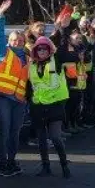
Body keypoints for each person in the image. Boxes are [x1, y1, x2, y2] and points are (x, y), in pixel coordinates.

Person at [0, 0, 29, 177]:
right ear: (9, 41)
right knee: (4, 131)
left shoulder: (28, 57)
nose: (16, 42)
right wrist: (0, 15)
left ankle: (12, 161)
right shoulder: (3, 53)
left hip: (19, 100)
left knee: (15, 132)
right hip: (4, 98)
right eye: (13, 39)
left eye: (19, 40)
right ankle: (2, 163)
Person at [27, 36, 76, 179]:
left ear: (49, 50)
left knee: (55, 137)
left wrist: (61, 30)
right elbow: (30, 87)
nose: (42, 51)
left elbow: (62, 46)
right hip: (38, 106)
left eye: (45, 48)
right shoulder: (32, 65)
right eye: (39, 48)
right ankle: (45, 166)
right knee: (41, 138)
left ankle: (64, 165)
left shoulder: (57, 61)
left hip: (55, 105)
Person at [63, 32, 87, 133]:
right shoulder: (70, 49)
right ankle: (68, 126)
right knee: (70, 106)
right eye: (76, 38)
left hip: (79, 82)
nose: (79, 40)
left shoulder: (80, 48)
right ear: (71, 40)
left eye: (80, 38)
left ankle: (75, 123)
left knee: (76, 106)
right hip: (71, 81)